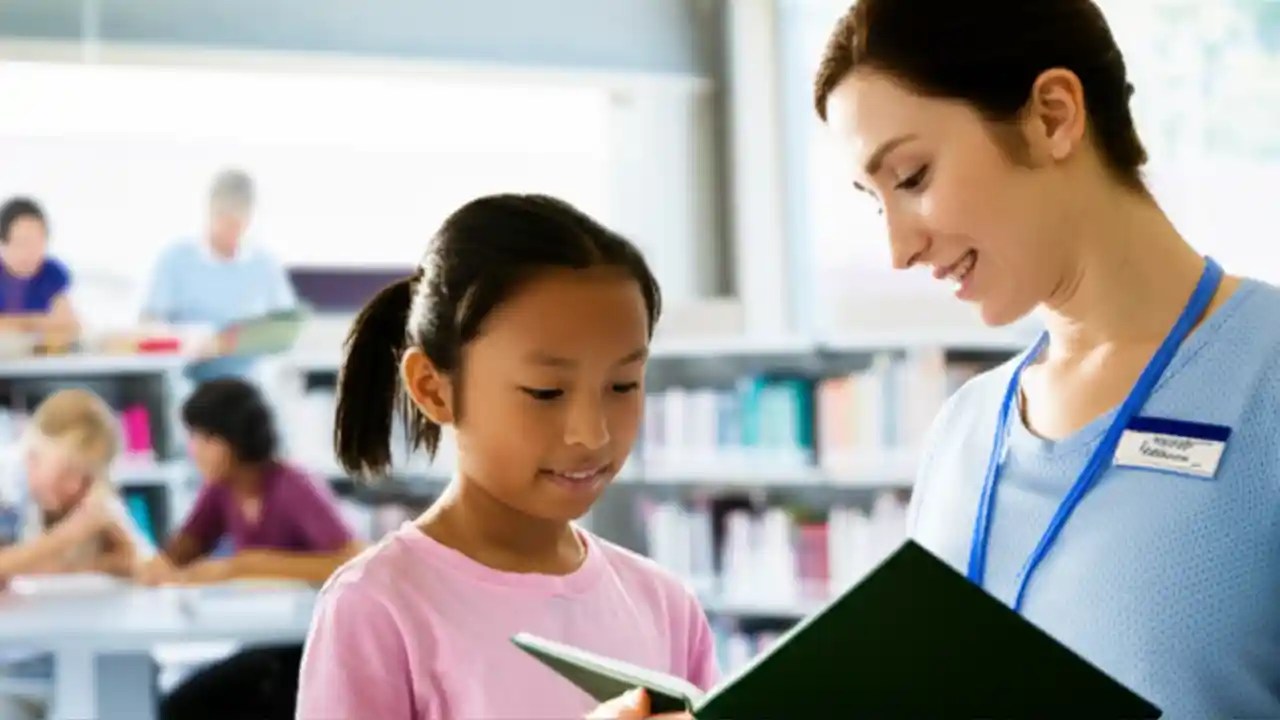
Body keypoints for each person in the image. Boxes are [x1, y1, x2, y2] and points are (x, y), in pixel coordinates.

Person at [597, 0, 1280, 718]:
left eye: (912, 177)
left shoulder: (1265, 378)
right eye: (874, 202)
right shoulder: (966, 431)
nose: (898, 250)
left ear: (1052, 116)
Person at [294, 194, 718, 719]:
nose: (592, 433)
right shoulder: (377, 607)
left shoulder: (666, 606)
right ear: (432, 388)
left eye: (623, 385)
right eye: (545, 392)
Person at [134, 378, 359, 720]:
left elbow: (355, 561)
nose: (194, 450)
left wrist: (243, 566)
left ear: (233, 438)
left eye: (204, 438)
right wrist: (160, 565)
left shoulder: (293, 485)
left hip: (314, 652)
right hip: (267, 646)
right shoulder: (221, 489)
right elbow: (180, 552)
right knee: (175, 706)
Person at [0, 388, 156, 720]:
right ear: (33, 453)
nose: (74, 487)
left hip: (77, 656)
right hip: (14, 667)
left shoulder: (92, 501)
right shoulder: (9, 484)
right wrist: (68, 536)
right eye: (66, 471)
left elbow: (147, 569)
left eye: (86, 477)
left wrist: (110, 542)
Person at [140, 169, 297, 380]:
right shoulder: (175, 259)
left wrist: (228, 343)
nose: (230, 232)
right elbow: (149, 321)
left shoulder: (264, 265)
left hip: (249, 382)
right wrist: (184, 340)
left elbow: (285, 329)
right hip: (189, 378)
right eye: (224, 221)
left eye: (238, 224)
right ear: (210, 212)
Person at [0, 197, 78, 338]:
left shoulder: (51, 273)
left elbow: (68, 324)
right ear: (3, 243)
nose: (31, 251)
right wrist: (41, 323)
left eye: (38, 242)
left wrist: (15, 324)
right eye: (23, 242)